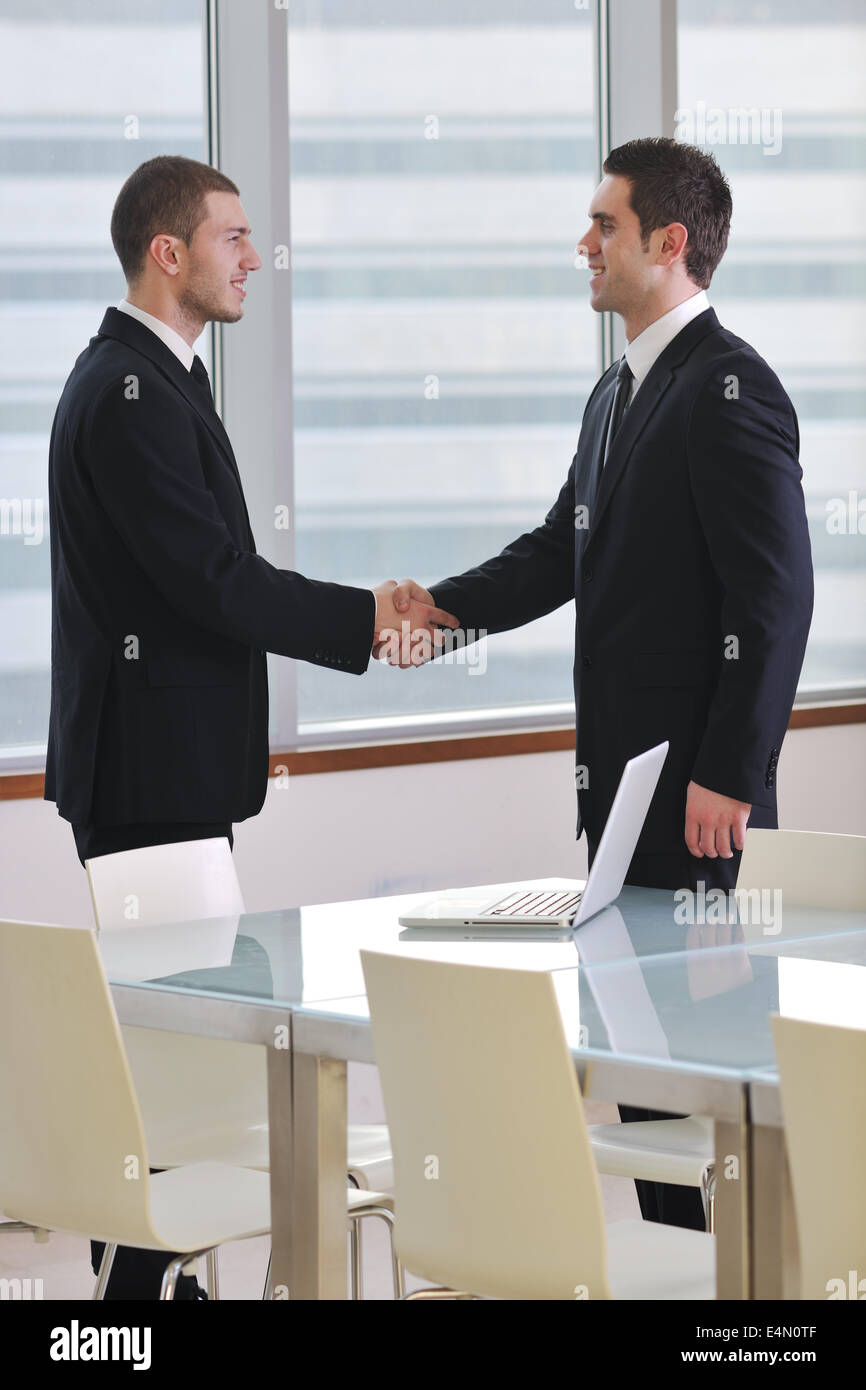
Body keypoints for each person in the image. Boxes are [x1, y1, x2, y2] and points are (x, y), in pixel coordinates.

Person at [44, 154, 458, 1297]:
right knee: (187, 1079)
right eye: (232, 238)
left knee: (185, 1070)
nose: (253, 259)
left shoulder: (154, 378)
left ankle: (142, 1295)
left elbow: (207, 579)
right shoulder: (128, 390)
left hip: (161, 785)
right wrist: (365, 619)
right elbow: (212, 579)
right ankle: (132, 1304)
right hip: (147, 788)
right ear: (166, 252)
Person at [385, 137, 814, 1231]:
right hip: (623, 811)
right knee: (647, 1085)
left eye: (603, 225)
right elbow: (552, 553)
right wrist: (437, 615)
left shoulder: (729, 387)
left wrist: (731, 771)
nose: (583, 244)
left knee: (712, 1101)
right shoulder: (615, 393)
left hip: (701, 814)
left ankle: (746, 1318)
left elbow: (773, 600)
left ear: (668, 243)